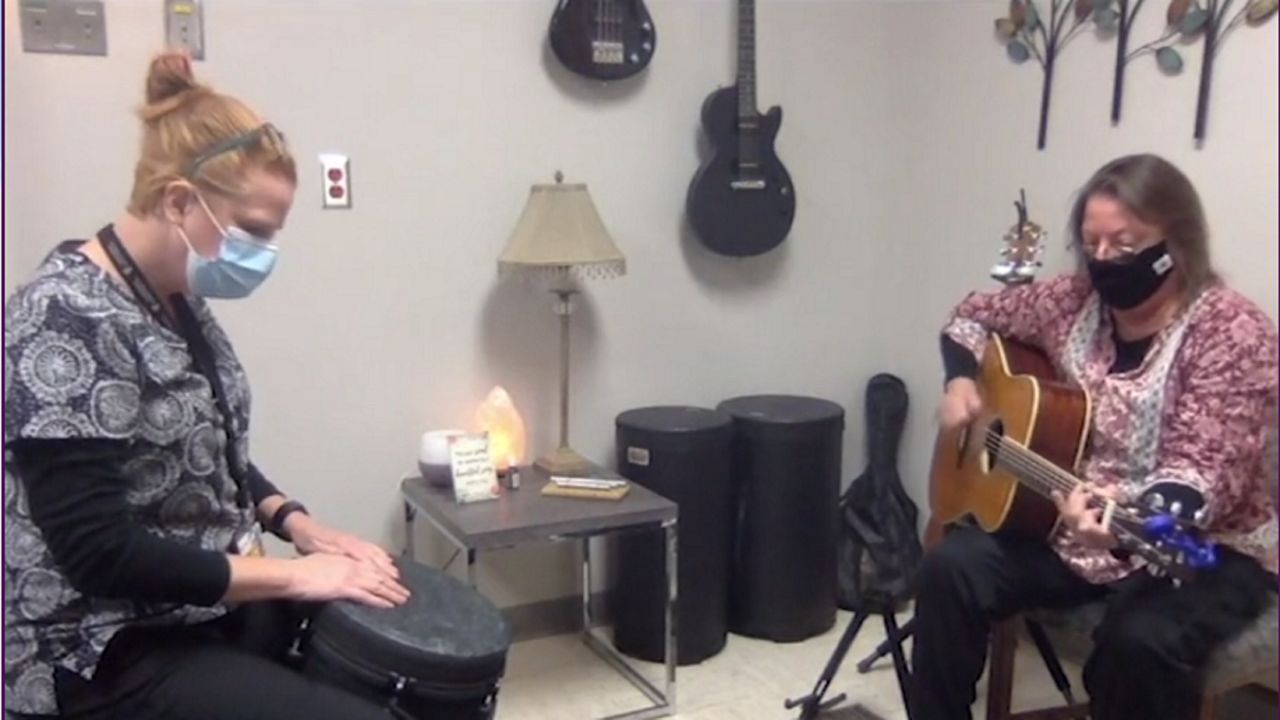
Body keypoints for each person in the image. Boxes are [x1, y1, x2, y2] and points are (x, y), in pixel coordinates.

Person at [4, 53, 412, 719]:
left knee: (379, 640)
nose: (265, 252)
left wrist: (298, 524)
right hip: (95, 645)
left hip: (193, 606)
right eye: (254, 229)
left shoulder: (173, 297)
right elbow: (99, 553)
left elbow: (204, 444)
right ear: (178, 201)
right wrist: (291, 575)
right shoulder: (63, 316)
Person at [910, 154, 1278, 720]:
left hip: (1200, 548)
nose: (1103, 261)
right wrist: (960, 380)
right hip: (1071, 526)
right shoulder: (1070, 300)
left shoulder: (1232, 331)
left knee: (1141, 642)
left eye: (1124, 246)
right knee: (950, 567)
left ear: (1176, 242)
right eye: (1092, 244)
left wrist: (1134, 521)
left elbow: (1207, 467)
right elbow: (969, 317)